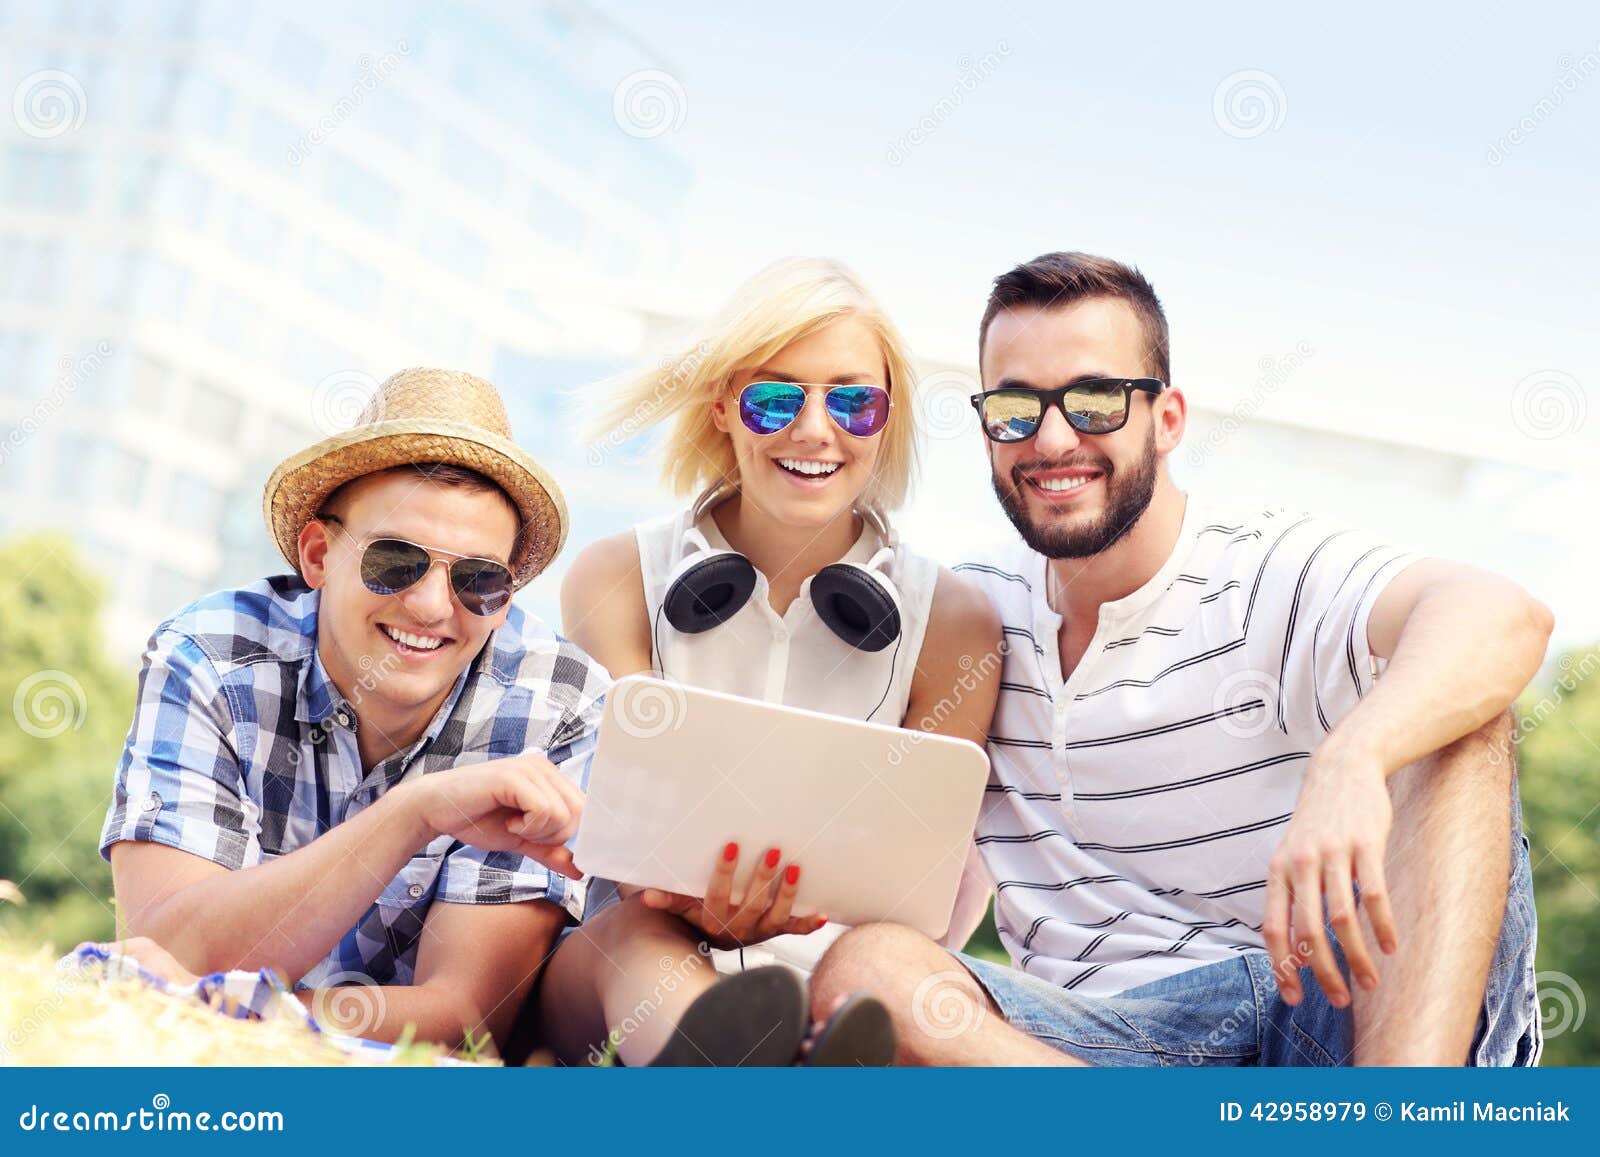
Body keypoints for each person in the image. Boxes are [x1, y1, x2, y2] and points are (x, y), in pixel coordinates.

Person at [809, 251, 1553, 1066]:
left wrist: (1354, 757)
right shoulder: (969, 616)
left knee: (1464, 722)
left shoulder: (1260, 569)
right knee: (869, 973)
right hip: (1084, 1049)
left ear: (1167, 419)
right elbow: (915, 895)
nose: (1052, 438)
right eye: (1016, 408)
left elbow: (1502, 614)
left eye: (1094, 401)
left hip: (1320, 1016)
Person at [536, 257, 1003, 1066]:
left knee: (883, 973)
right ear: (722, 406)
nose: (815, 430)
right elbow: (603, 831)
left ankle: (788, 1063)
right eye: (776, 398)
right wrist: (688, 902)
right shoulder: (613, 577)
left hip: (839, 984)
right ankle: (738, 1062)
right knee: (647, 937)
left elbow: (921, 894)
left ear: (886, 421)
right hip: (630, 952)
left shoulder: (956, 624)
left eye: (854, 400)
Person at [96, 368, 605, 1058]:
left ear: (506, 598)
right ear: (317, 554)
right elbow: (170, 945)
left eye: (478, 579)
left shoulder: (557, 703)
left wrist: (235, 1005)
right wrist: (416, 811)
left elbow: (465, 1019)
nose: (429, 606)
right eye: (396, 560)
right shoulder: (210, 656)